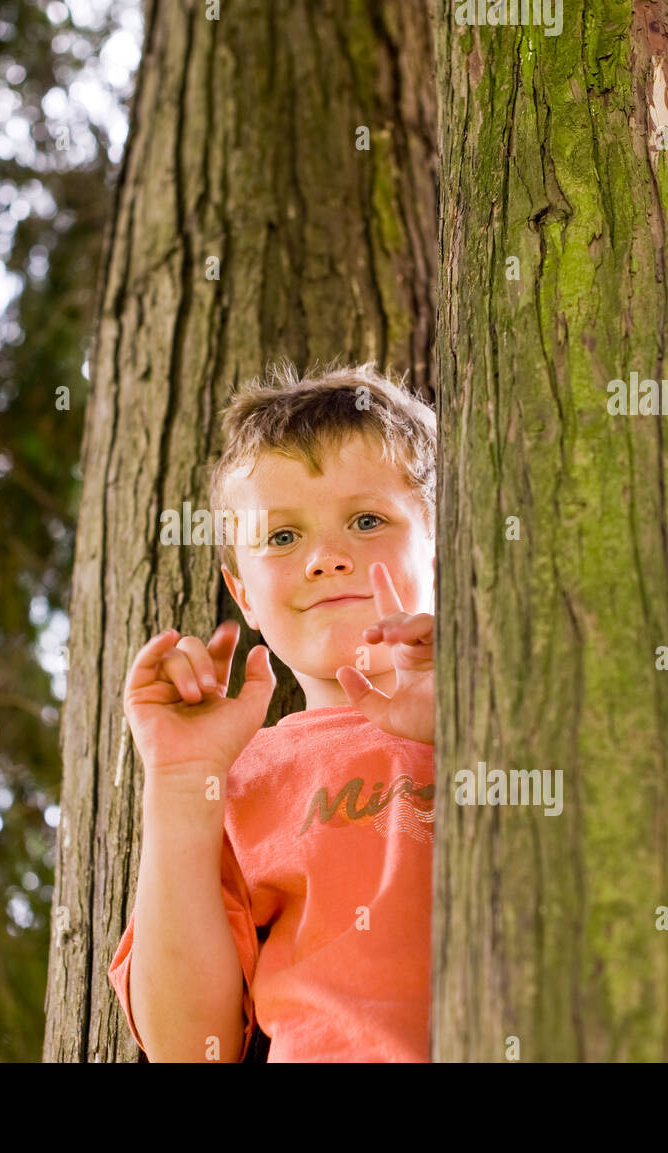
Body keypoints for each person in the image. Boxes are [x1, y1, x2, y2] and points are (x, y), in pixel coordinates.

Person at [108, 359, 437, 1062]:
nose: (324, 556)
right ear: (243, 593)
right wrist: (178, 780)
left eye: (367, 518)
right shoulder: (243, 779)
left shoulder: (528, 714)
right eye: (282, 537)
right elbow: (188, 1045)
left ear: (446, 544)